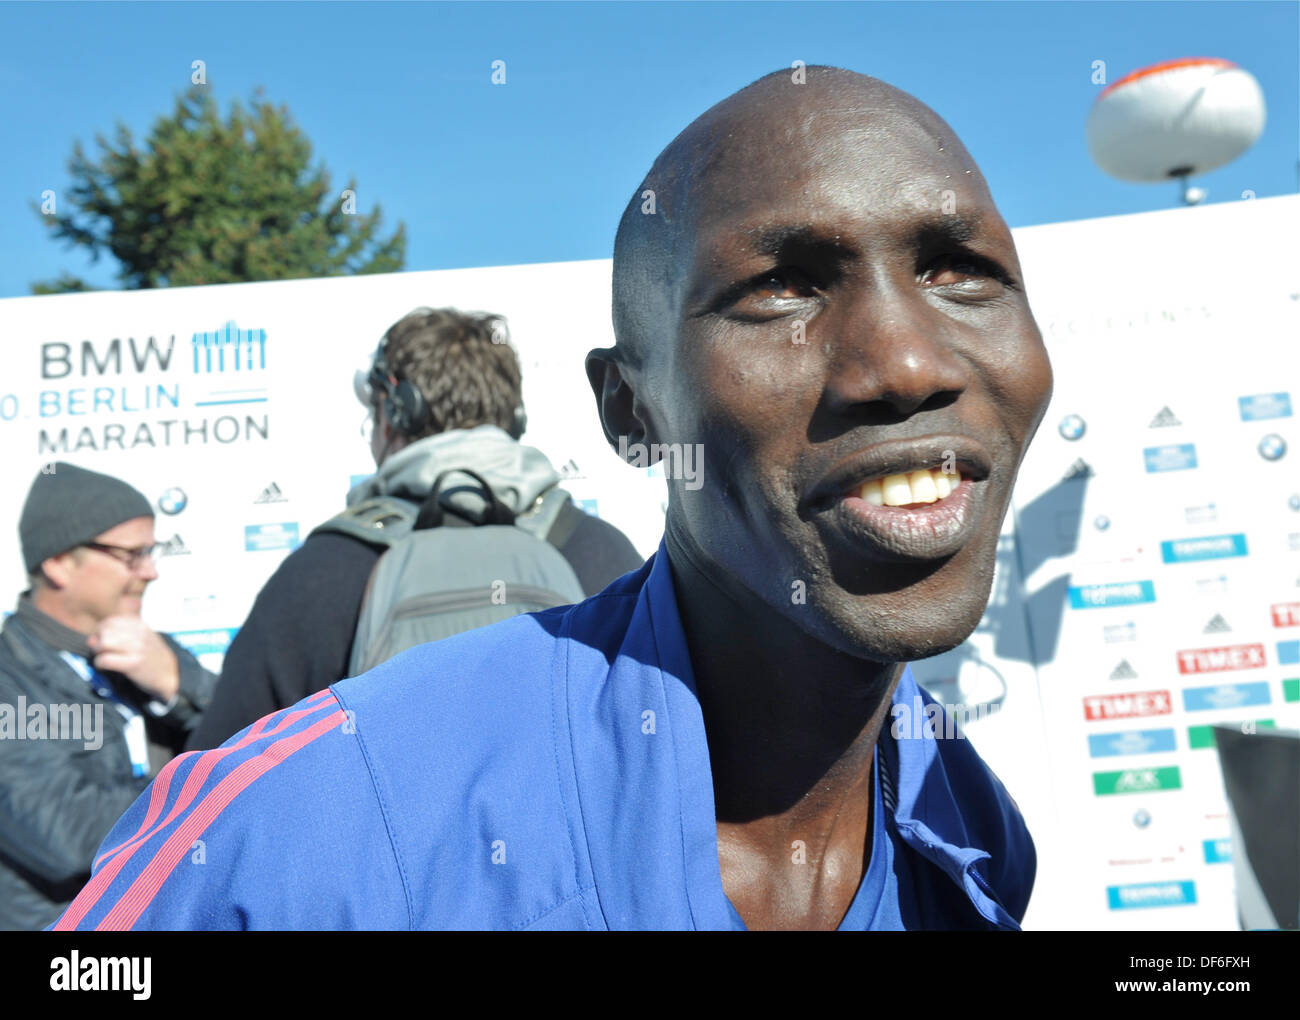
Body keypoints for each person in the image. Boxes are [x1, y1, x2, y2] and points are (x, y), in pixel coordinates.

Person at [55, 66, 1053, 931]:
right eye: (783, 287)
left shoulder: (969, 832)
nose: (907, 362)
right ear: (630, 411)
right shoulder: (312, 822)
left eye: (961, 272)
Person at [186, 306, 643, 751]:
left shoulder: (321, 573)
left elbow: (217, 783)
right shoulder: (601, 552)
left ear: (395, 412)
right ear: (515, 418)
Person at [0, 463, 216, 930]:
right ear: (59, 562)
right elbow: (66, 833)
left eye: (151, 552)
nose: (152, 571)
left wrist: (181, 688)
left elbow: (254, 745)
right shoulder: (8, 682)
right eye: (132, 555)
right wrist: (205, 793)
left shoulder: (153, 654)